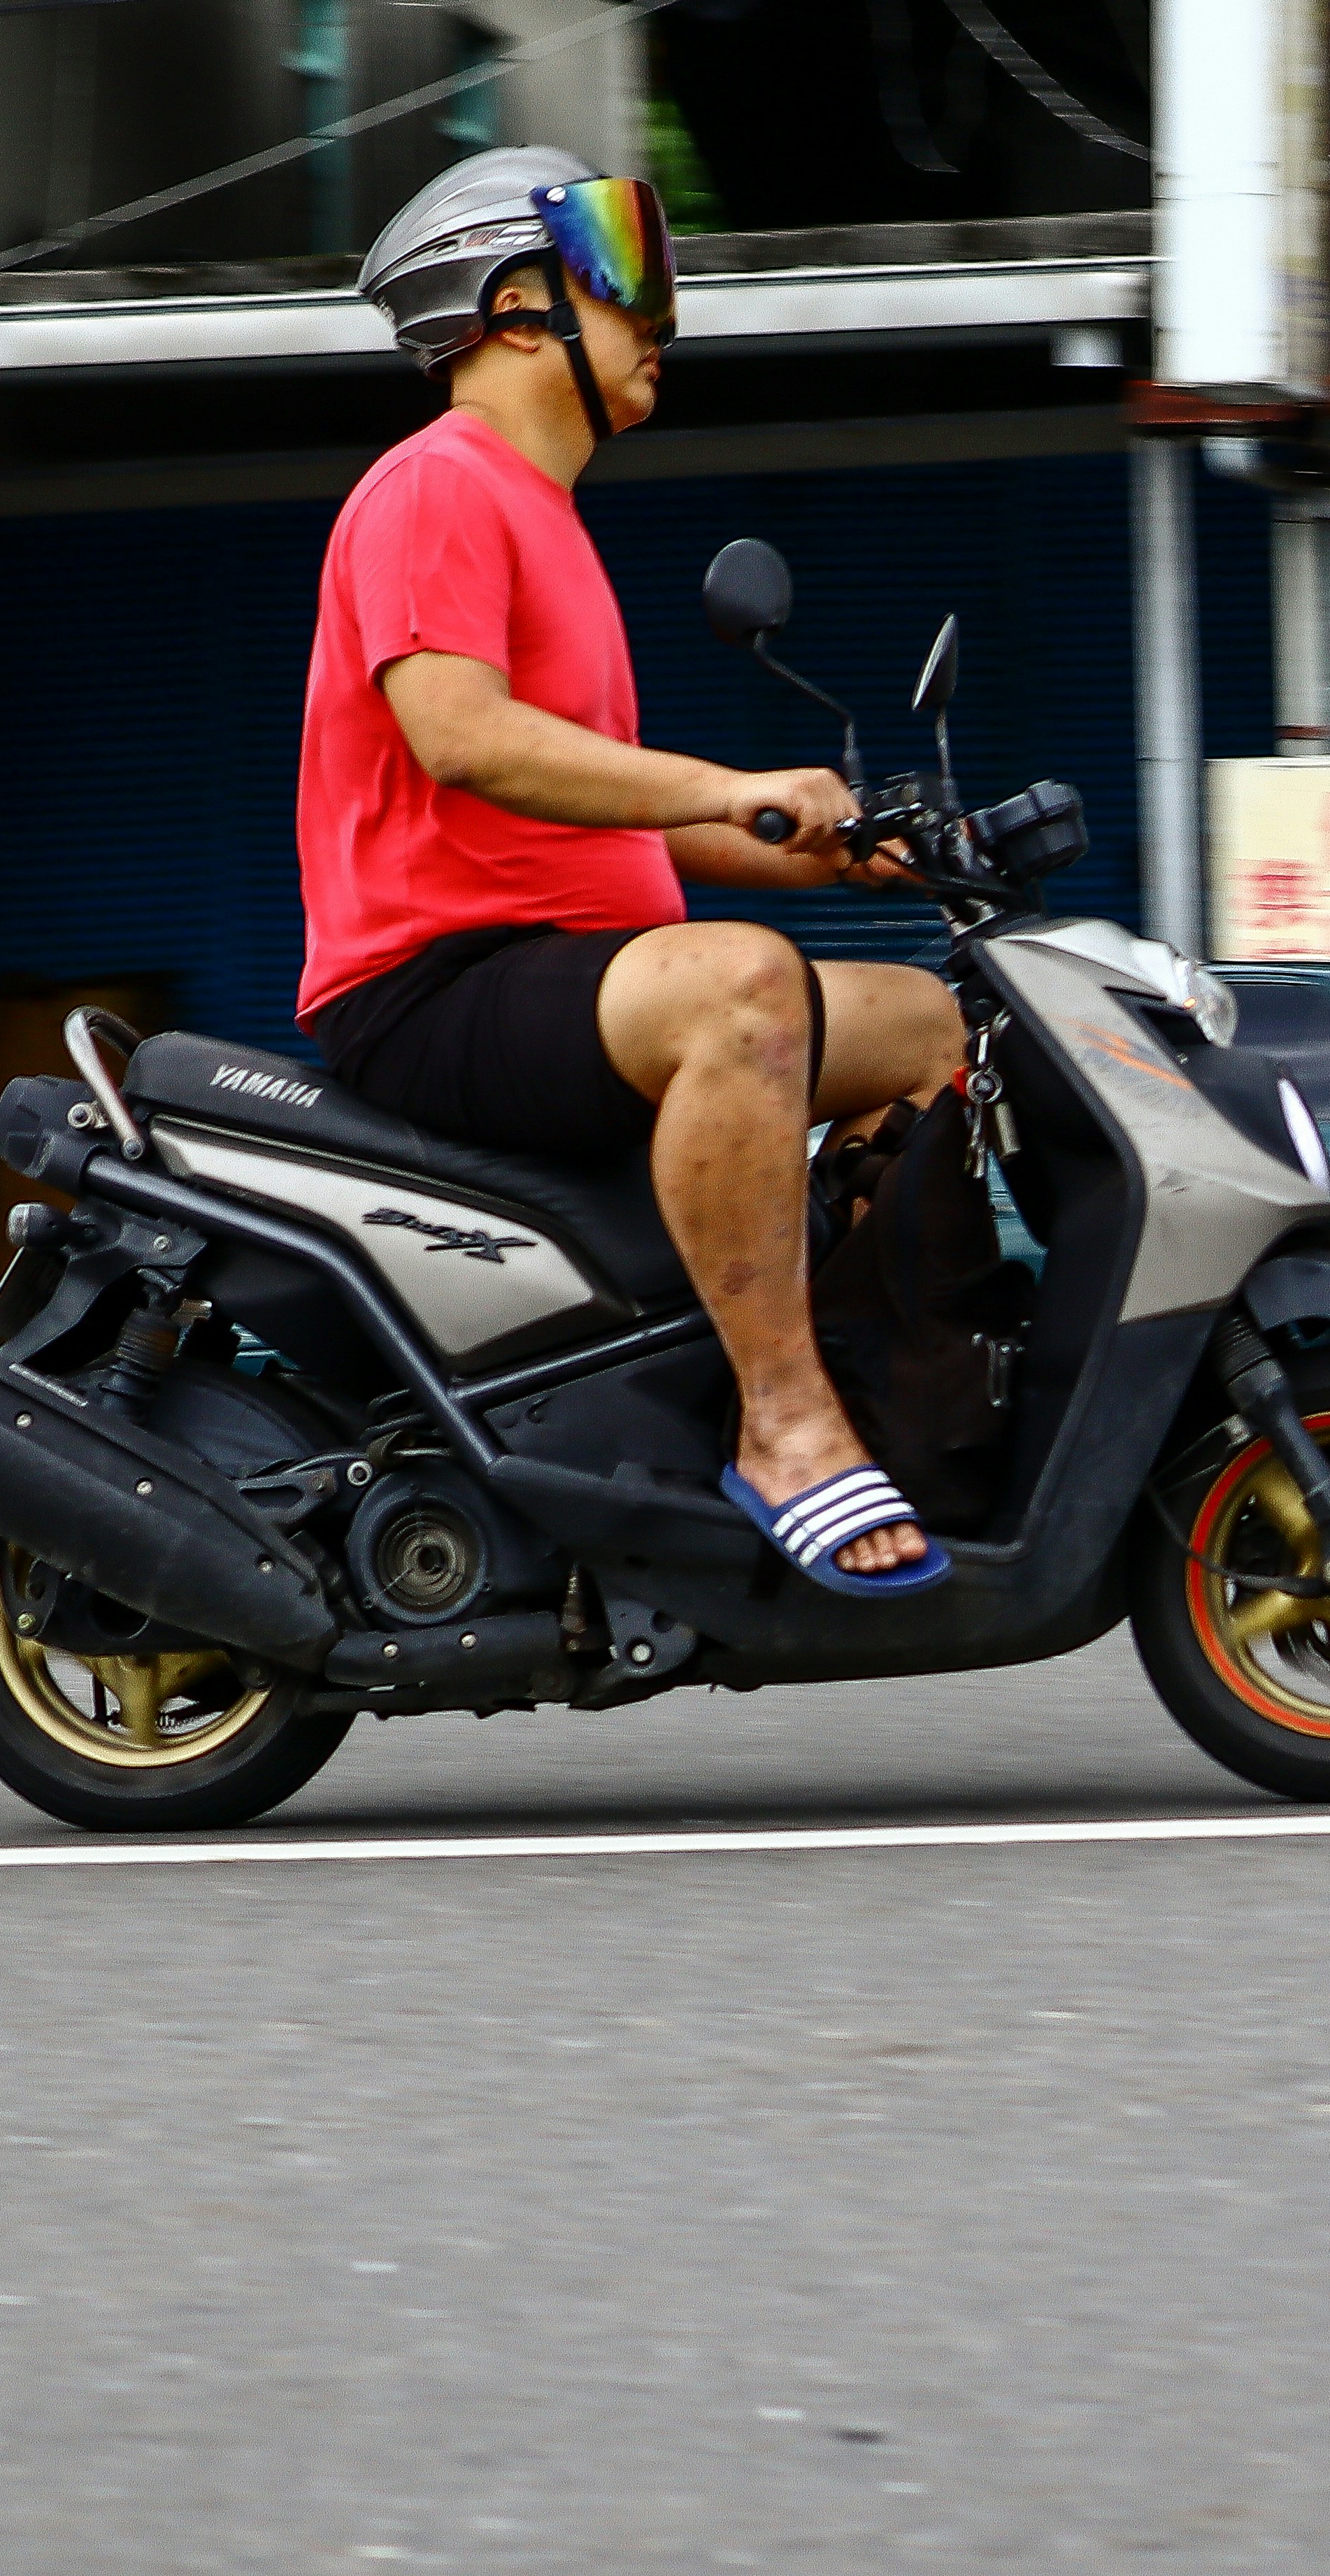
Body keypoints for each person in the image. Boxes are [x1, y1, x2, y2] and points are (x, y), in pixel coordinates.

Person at [293, 147, 961, 1595]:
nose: (664, 315)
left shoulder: (547, 519)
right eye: (627, 275)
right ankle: (783, 1422)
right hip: (435, 983)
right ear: (520, 305)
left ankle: (858, 1374)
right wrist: (736, 785)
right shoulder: (437, 488)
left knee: (928, 1024)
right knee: (739, 993)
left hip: (562, 975)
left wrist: (853, 852)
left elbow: (621, 822)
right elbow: (462, 738)